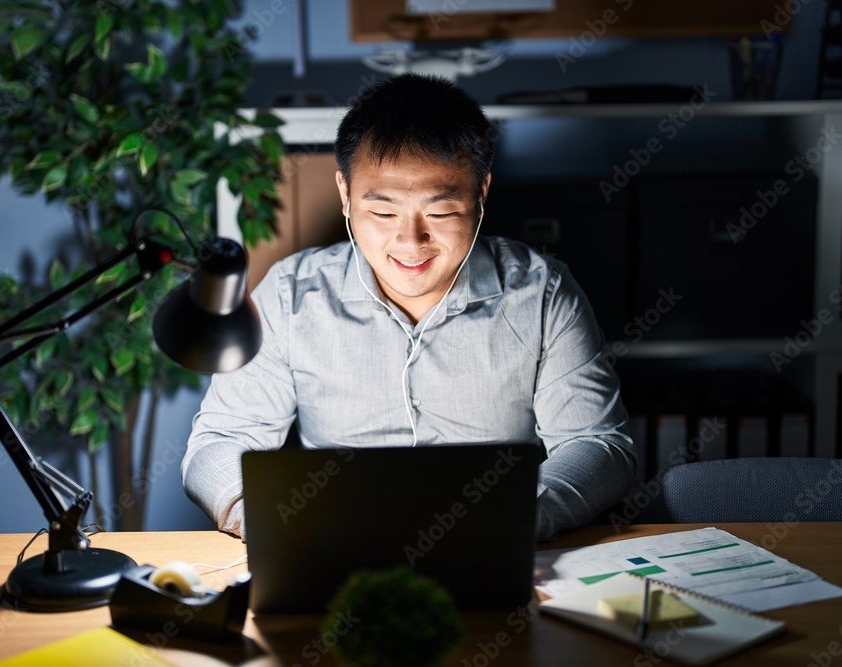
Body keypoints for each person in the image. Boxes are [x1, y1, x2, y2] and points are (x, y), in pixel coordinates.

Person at [182, 73, 636, 541]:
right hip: (332, 547)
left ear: (481, 194)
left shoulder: (542, 293)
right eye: (382, 212)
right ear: (345, 195)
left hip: (496, 548)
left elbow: (598, 445)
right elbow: (219, 443)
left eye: (439, 213)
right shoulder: (289, 295)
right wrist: (272, 518)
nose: (410, 241)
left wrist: (515, 516)